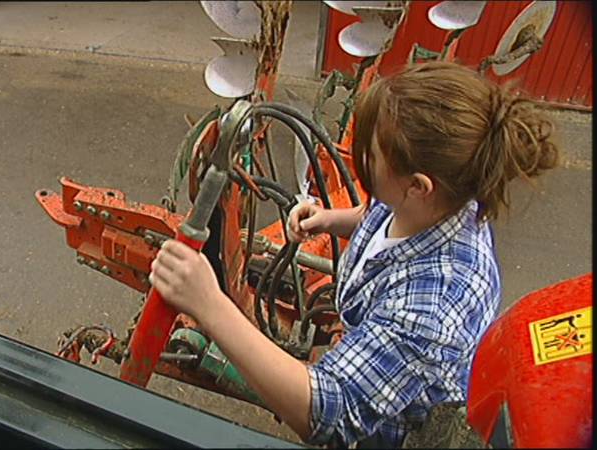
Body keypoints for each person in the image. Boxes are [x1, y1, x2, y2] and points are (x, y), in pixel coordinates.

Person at [148, 61, 559, 448]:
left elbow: (329, 411)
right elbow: (379, 212)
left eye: (372, 156)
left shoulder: (432, 307)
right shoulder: (444, 197)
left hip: (390, 432)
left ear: (418, 185)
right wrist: (331, 220)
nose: (362, 162)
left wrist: (209, 304)